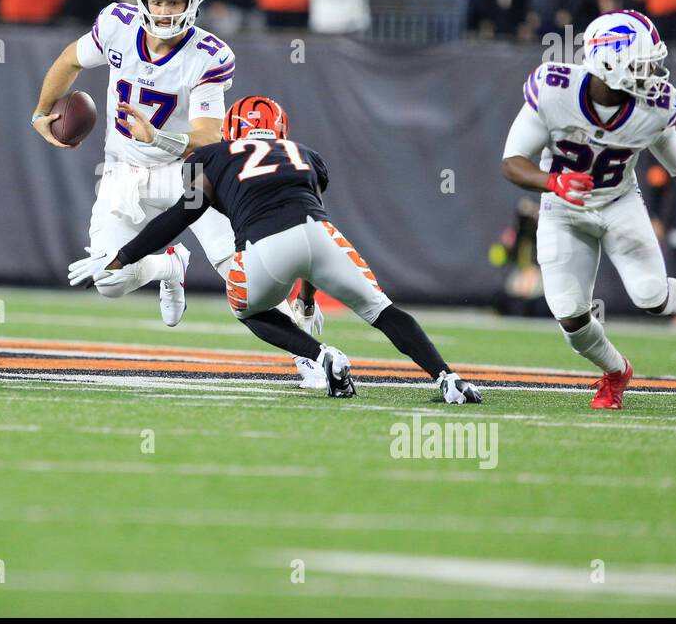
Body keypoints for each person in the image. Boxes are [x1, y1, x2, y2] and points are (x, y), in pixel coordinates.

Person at [31, 0, 325, 389]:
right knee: (109, 280)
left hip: (190, 173)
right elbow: (70, 60)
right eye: (158, 1)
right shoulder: (116, 24)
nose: (166, 11)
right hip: (122, 172)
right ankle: (169, 267)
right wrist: (40, 113)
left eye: (175, 2)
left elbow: (208, 137)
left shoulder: (208, 55)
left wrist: (158, 138)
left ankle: (309, 357)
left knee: (240, 271)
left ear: (194, 2)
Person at [68, 96, 482, 404]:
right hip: (321, 235)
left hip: (263, 244)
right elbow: (310, 222)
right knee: (383, 310)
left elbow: (179, 218)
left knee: (247, 309)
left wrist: (121, 258)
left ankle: (320, 356)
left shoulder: (212, 156)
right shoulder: (305, 155)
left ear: (232, 129)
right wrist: (305, 296)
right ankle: (447, 378)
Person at [500, 9, 676, 409]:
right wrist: (554, 182)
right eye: (641, 64)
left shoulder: (653, 105)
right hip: (563, 208)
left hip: (619, 203)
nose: (652, 73)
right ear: (607, 62)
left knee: (650, 295)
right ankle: (616, 372)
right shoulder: (554, 89)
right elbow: (513, 161)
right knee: (569, 314)